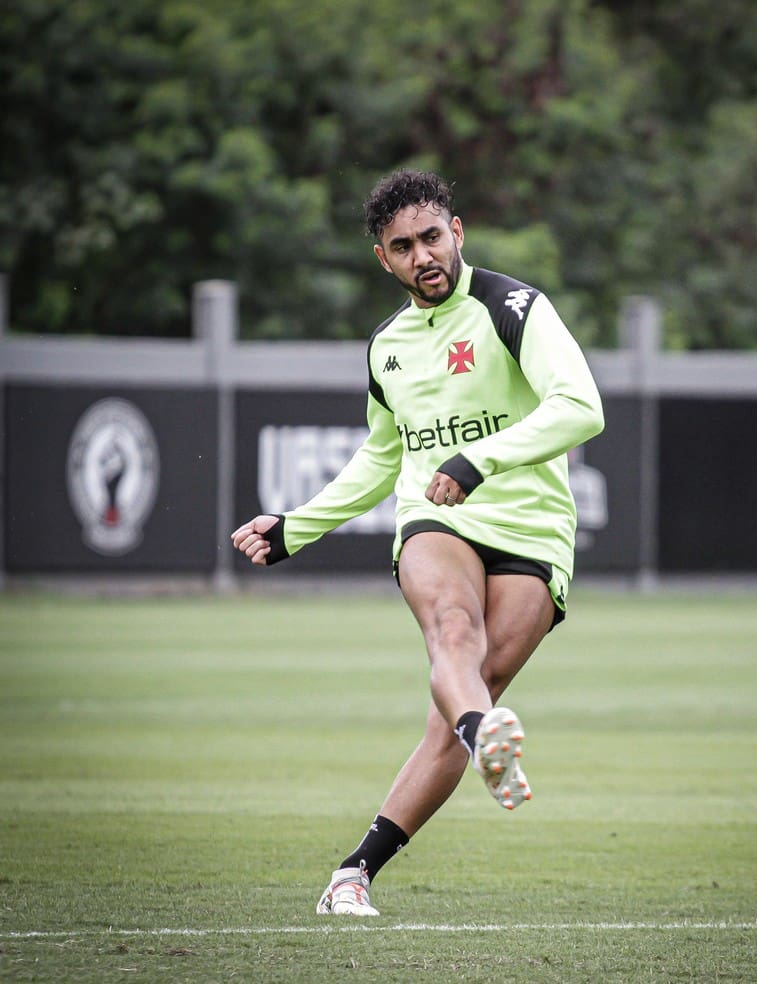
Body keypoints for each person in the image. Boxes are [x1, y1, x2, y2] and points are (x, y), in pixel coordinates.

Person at [231, 169, 604, 917]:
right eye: (402, 247)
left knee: (464, 694)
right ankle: (482, 734)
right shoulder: (387, 346)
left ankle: (352, 872)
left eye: (432, 237)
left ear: (456, 232)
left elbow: (580, 407)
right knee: (453, 634)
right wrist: (298, 525)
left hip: (533, 529)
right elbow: (382, 456)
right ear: (384, 259)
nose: (422, 256)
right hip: (437, 519)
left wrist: (479, 460)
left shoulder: (515, 308)